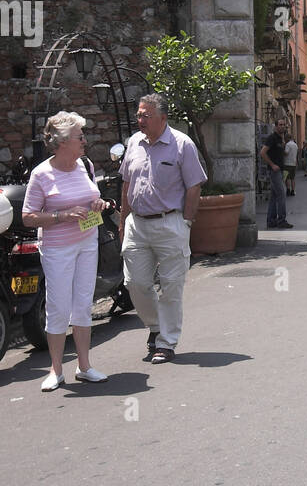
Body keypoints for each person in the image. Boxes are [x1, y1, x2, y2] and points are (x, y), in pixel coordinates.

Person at [22, 111, 114, 390]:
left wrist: (98, 204)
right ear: (62, 142)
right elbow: (27, 217)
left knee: (83, 303)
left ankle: (84, 366)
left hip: (87, 242)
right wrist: (60, 216)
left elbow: (92, 197)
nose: (85, 141)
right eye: (80, 136)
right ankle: (56, 370)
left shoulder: (83, 164)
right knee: (59, 306)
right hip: (58, 248)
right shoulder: (42, 174)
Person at [119, 93, 208, 363]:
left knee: (171, 286)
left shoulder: (182, 145)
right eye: (139, 115)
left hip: (170, 223)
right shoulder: (134, 142)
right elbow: (126, 183)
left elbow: (194, 185)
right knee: (135, 282)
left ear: (163, 118)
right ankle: (156, 326)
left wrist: (187, 221)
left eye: (146, 115)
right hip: (138, 224)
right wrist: (123, 221)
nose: (140, 120)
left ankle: (166, 343)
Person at [260, 119, 292, 230]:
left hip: (279, 171)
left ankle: (271, 221)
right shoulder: (272, 138)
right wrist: (272, 165)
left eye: (284, 125)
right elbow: (263, 152)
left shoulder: (280, 139)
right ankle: (281, 220)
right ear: (276, 126)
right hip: (274, 171)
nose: (283, 127)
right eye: (280, 125)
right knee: (282, 194)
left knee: (274, 196)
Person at [283, 131, 299, 198]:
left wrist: (281, 150)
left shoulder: (288, 144)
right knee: (292, 178)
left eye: (285, 138)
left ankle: (288, 190)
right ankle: (293, 190)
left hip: (287, 163)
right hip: (293, 163)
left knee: (287, 178)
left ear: (287, 138)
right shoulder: (295, 145)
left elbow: (286, 153)